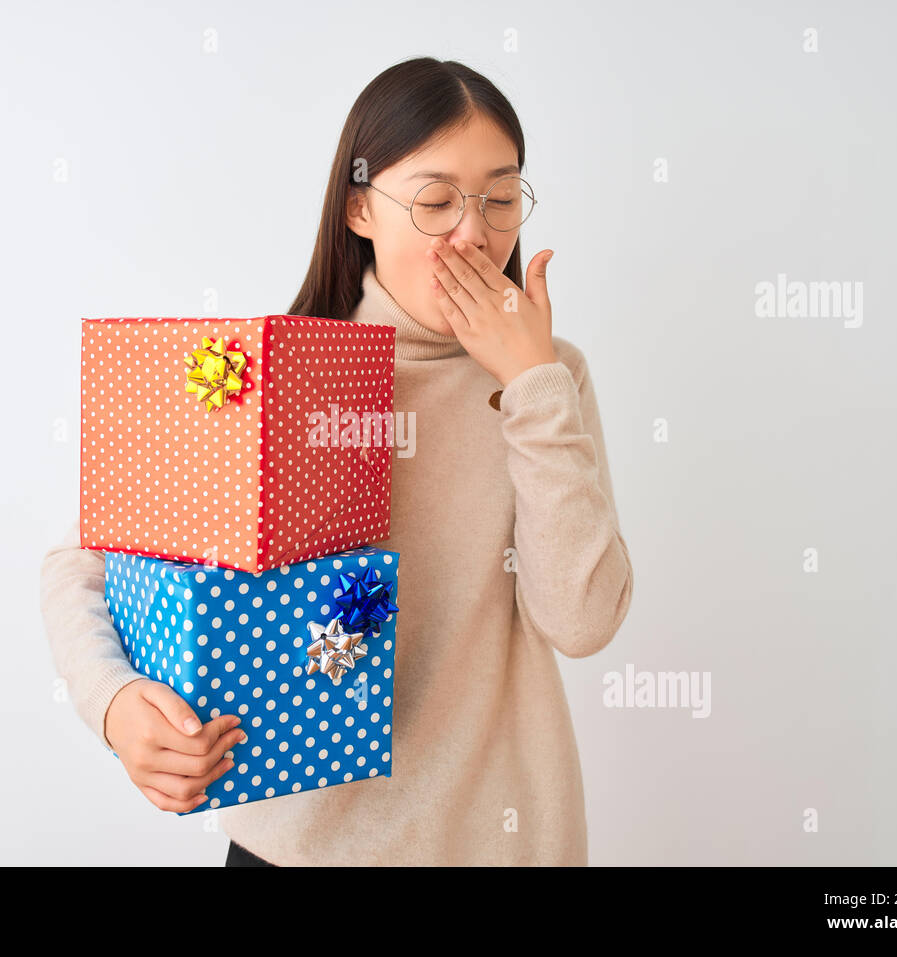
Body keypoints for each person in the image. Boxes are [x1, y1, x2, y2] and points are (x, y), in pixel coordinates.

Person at [39, 56, 634, 866]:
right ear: (360, 208)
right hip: (299, 848)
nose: (475, 233)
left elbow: (582, 617)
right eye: (435, 201)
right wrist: (114, 704)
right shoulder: (276, 371)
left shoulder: (547, 378)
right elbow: (86, 562)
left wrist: (531, 382)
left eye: (501, 197)